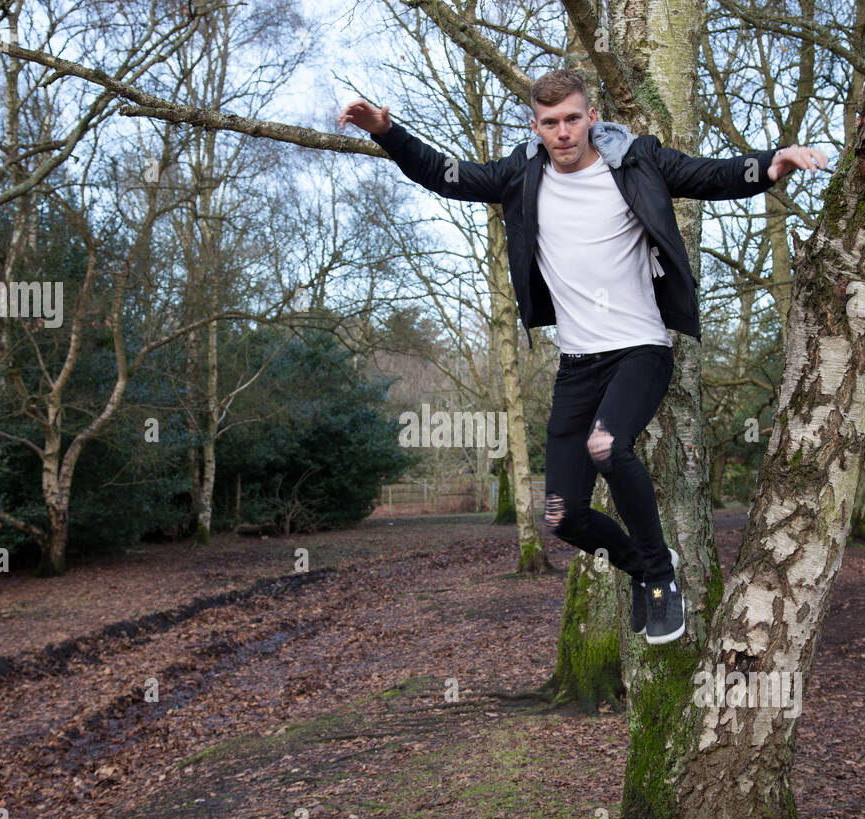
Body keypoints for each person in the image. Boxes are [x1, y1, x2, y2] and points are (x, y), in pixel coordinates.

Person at [339, 68, 828, 644]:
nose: (564, 131)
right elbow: (446, 176)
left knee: (607, 446)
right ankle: (642, 566)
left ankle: (663, 580)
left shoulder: (638, 162)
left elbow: (709, 174)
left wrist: (772, 163)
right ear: (536, 126)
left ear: (591, 117)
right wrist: (387, 132)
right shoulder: (519, 177)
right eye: (551, 122)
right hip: (578, 364)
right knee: (560, 517)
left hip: (640, 348)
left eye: (573, 118)